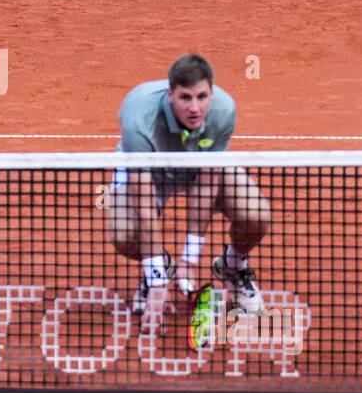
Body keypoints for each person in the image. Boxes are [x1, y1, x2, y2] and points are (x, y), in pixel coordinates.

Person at [109, 53, 271, 320]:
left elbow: (207, 184)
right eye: (186, 98)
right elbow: (145, 205)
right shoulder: (139, 117)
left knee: (256, 214)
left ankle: (234, 265)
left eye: (202, 97)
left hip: (197, 166)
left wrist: (190, 259)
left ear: (211, 93)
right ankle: (159, 268)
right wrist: (158, 280)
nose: (195, 108)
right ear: (170, 94)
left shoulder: (223, 110)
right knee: (125, 234)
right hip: (152, 170)